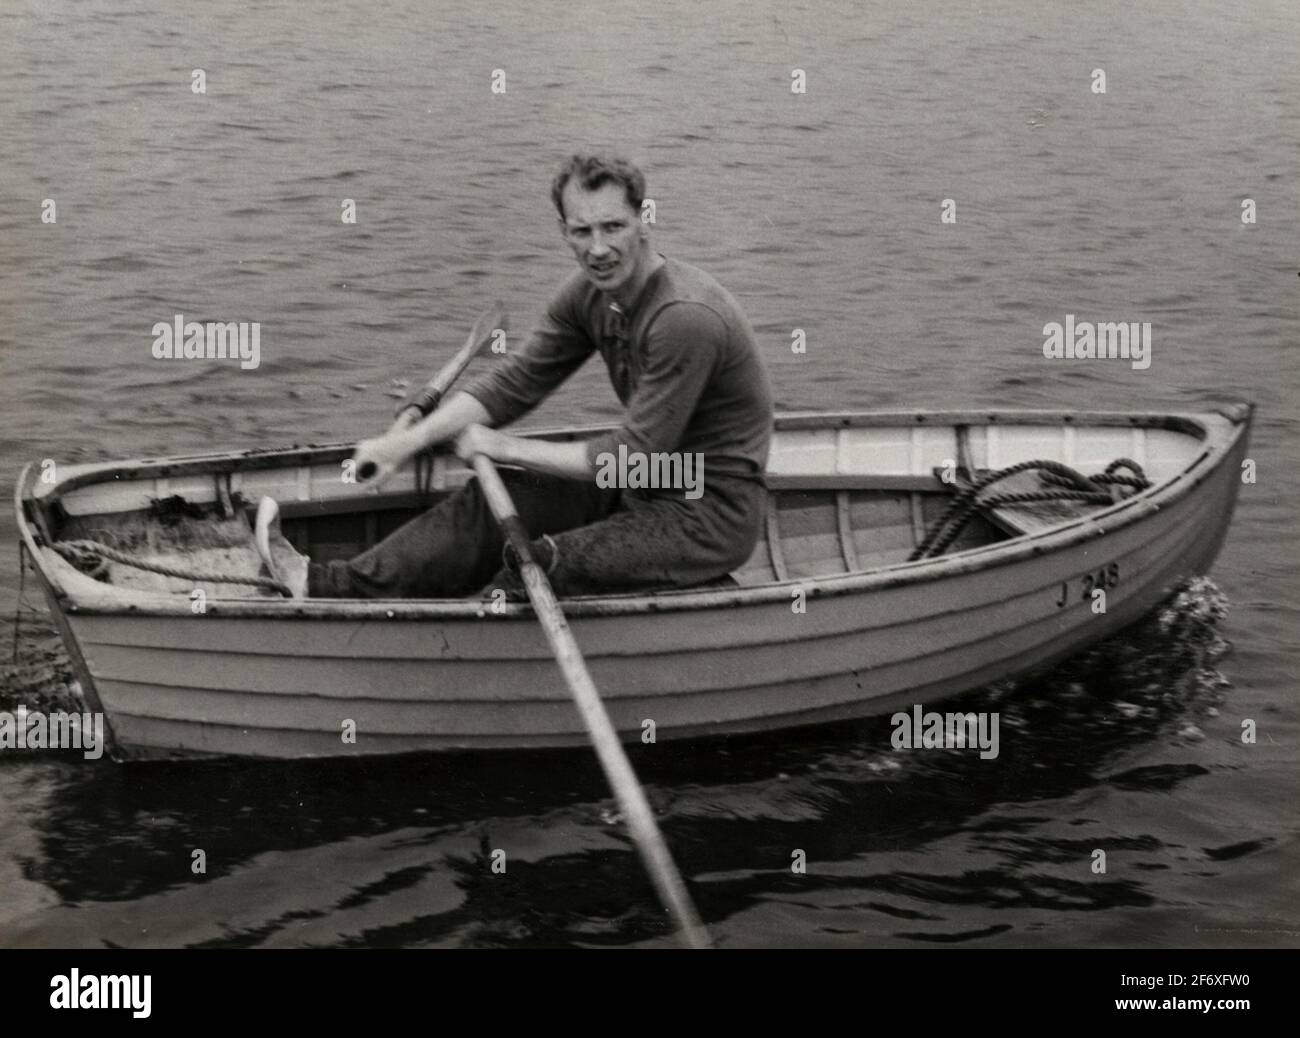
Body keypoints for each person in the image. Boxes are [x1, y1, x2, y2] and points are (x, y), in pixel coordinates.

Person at [276, 154, 774, 599]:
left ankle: (439, 652)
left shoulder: (684, 318)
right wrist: (404, 445)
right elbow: (513, 383)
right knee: (491, 504)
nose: (598, 249)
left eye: (613, 227)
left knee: (535, 563)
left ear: (644, 222)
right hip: (646, 480)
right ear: (563, 231)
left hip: (706, 506)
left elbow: (631, 457)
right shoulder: (588, 295)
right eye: (582, 232)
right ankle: (326, 586)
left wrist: (503, 447)